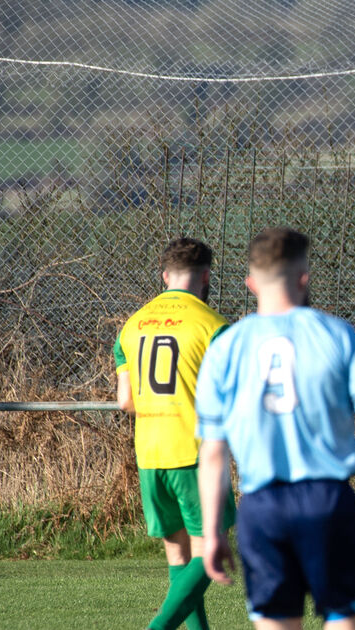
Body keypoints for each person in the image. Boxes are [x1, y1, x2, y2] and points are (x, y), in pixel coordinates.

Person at [195, 228, 355, 629]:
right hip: (328, 501)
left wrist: (211, 531)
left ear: (251, 283)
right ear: (304, 276)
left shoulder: (225, 348)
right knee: (348, 619)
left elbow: (213, 451)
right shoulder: (335, 334)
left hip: (261, 507)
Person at [113, 237, 234, 630]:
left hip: (149, 453)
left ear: (165, 275)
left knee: (179, 558)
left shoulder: (132, 325)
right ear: (206, 277)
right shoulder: (213, 326)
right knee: (210, 550)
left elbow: (124, 401)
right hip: (194, 452)